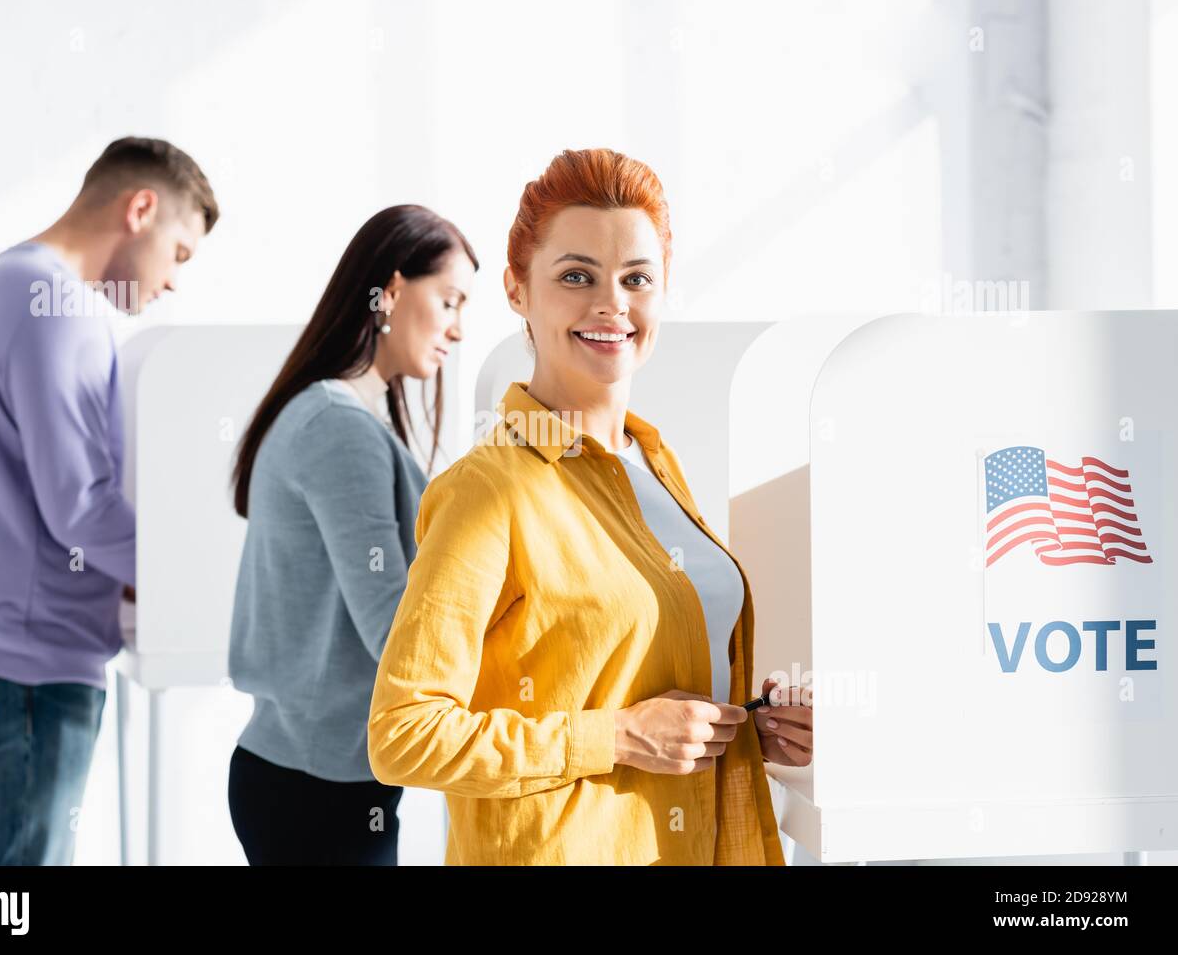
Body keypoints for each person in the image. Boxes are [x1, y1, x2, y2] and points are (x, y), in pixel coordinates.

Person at [368, 148, 813, 865]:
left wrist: (742, 729)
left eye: (637, 279)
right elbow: (403, 733)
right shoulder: (489, 490)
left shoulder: (655, 464)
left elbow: (629, 685)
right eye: (577, 276)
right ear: (517, 289)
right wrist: (620, 735)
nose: (612, 304)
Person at [0, 136, 219, 865]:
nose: (173, 283)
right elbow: (80, 507)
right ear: (141, 208)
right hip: (24, 671)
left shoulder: (2, 284)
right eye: (179, 252)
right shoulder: (59, 308)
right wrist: (210, 582)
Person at [226, 205, 476, 865]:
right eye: (448, 300)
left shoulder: (338, 411)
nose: (456, 327)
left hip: (313, 777)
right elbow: (391, 624)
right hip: (317, 789)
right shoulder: (340, 426)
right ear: (391, 291)